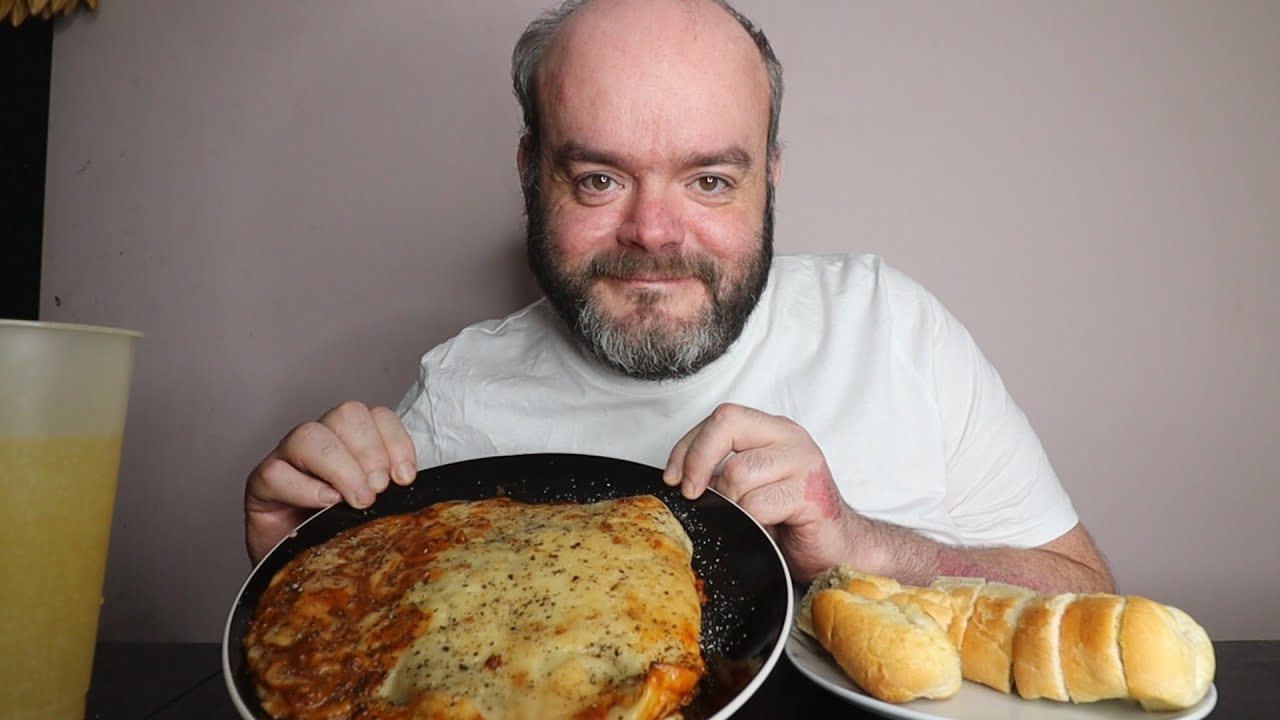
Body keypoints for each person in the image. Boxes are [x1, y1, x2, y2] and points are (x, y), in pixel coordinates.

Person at [244, 0, 1114, 593]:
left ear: (768, 178)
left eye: (707, 179)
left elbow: (1088, 595)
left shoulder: (890, 323)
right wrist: (294, 563)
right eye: (597, 179)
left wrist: (862, 544)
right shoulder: (458, 394)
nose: (654, 232)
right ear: (530, 175)